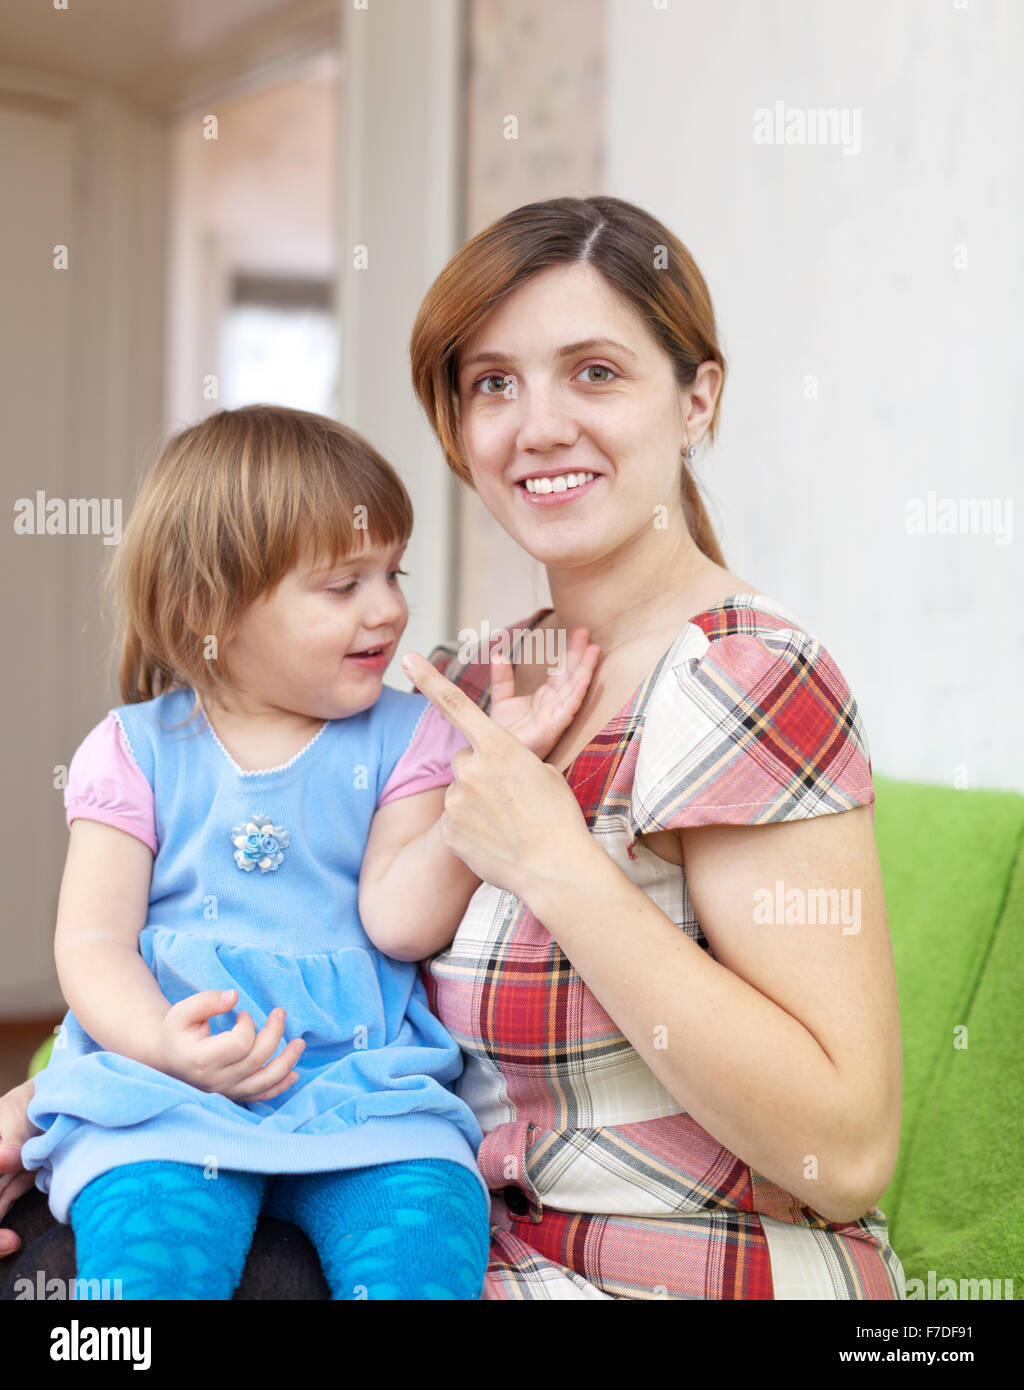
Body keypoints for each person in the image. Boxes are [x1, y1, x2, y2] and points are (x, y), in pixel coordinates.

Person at [2, 194, 905, 1299]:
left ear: (696, 397)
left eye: (596, 372)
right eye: (493, 383)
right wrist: (41, 1110)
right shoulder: (453, 683)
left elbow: (847, 1155)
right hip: (465, 1230)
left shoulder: (750, 676)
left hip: (667, 1270)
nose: (537, 427)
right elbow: (266, 934)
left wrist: (551, 859)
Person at [3, 403, 598, 1301]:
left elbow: (398, 921)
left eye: (392, 573)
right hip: (169, 1099)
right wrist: (160, 1043)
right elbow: (91, 944)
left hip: (366, 1094)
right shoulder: (134, 749)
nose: (389, 608)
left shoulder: (410, 737)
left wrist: (491, 788)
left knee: (429, 1235)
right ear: (213, 608)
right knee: (148, 1265)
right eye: (343, 585)